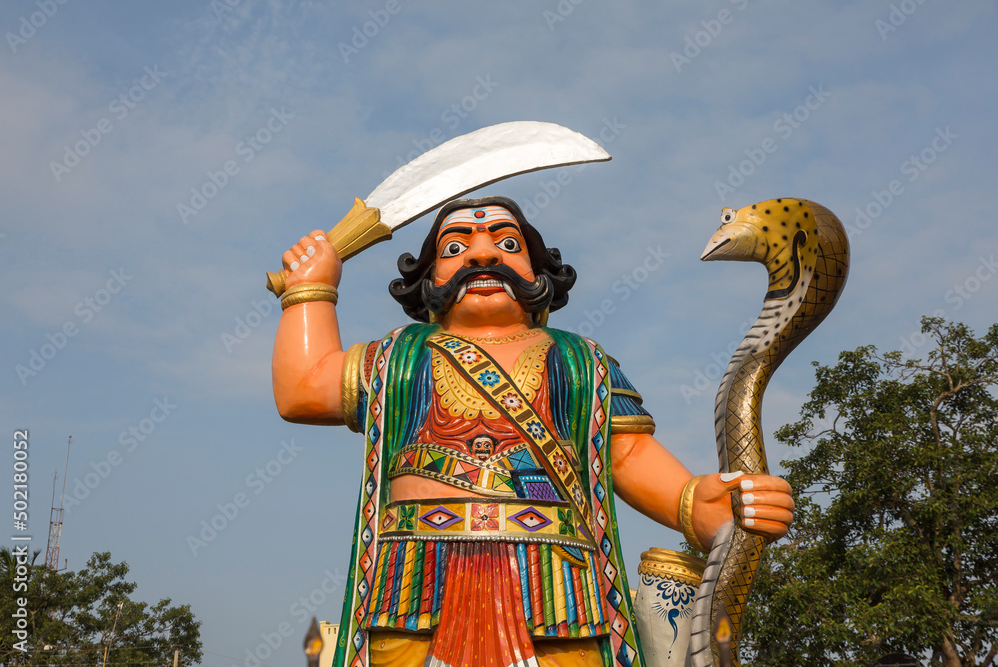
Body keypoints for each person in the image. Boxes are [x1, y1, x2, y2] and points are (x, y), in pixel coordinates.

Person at [271, 196, 794, 667]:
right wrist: (309, 291)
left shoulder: (581, 361)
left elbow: (626, 454)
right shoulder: (397, 356)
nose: (482, 256)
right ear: (427, 279)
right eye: (455, 246)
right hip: (415, 578)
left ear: (540, 272)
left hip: (555, 581)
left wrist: (690, 500)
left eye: (507, 243)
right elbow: (303, 390)